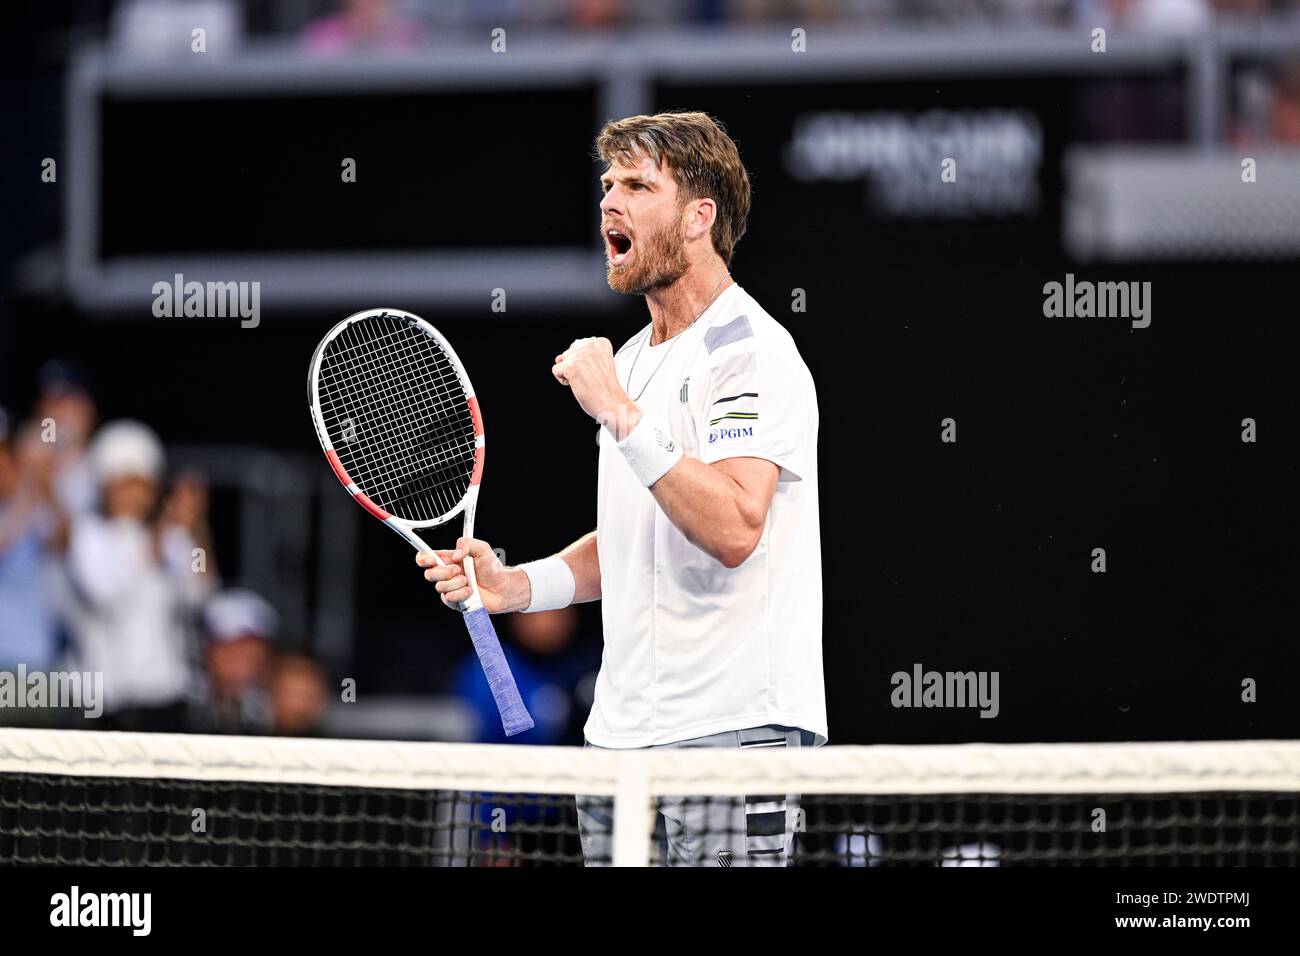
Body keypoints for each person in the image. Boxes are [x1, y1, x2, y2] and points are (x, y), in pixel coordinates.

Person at [417, 111, 825, 866]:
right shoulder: (631, 360)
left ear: (700, 217)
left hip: (731, 733)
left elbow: (735, 527)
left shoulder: (753, 352)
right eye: (608, 184)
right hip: (617, 743)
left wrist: (619, 414)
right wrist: (516, 587)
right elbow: (637, 540)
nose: (610, 202)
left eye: (638, 185)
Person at [64, 420, 216, 731]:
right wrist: (163, 532)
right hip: (107, 701)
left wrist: (197, 525)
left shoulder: (172, 537)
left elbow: (201, 593)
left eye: (143, 484)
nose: (135, 495)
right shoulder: (88, 536)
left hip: (165, 698)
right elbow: (105, 595)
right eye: (125, 484)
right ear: (105, 486)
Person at [199, 588, 277, 734]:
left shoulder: (281, 712)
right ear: (208, 651)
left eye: (254, 652)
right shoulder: (180, 708)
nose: (246, 663)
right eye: (233, 650)